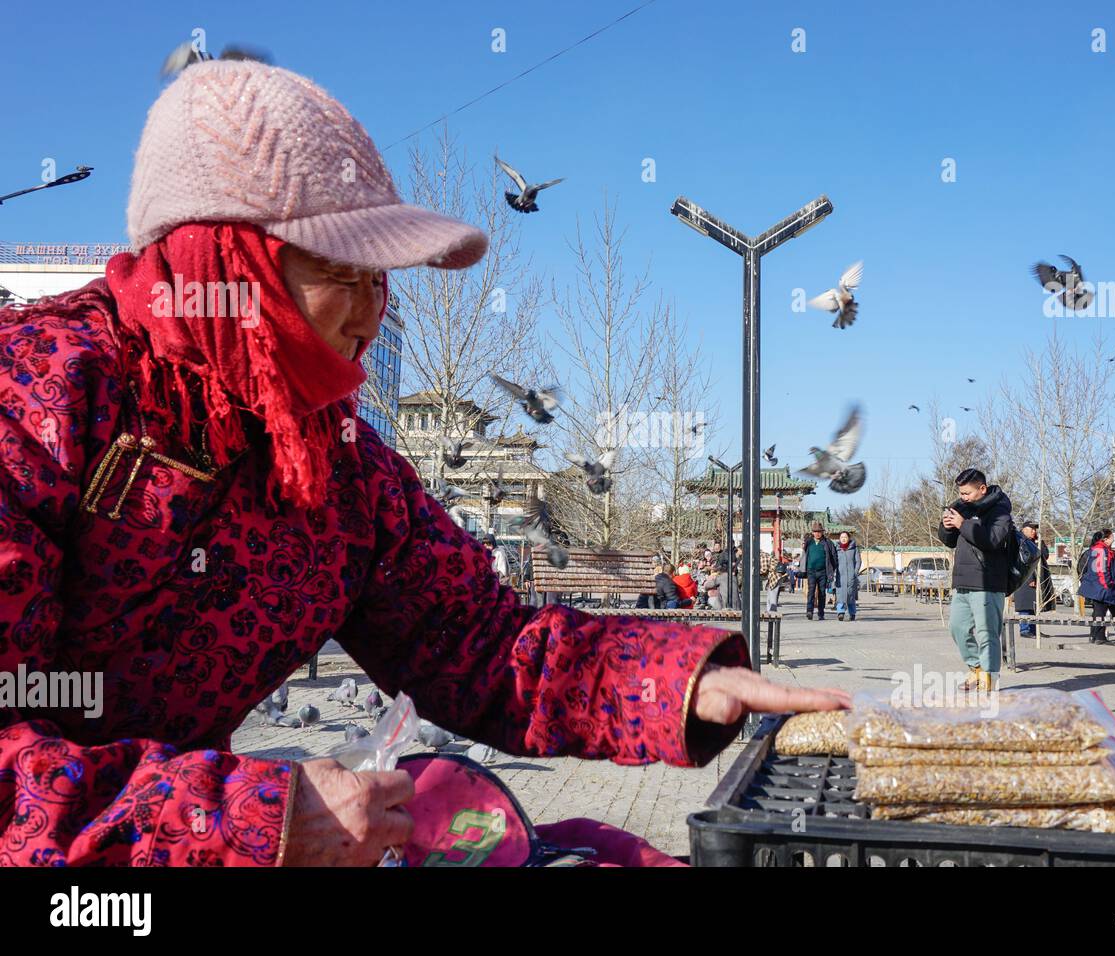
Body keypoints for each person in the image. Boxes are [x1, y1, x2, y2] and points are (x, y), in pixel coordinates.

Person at [0, 57, 851, 868]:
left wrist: (685, 681)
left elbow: (478, 643)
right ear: (227, 260)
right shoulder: (40, 391)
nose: (372, 315)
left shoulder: (337, 462)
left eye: (383, 281)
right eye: (344, 273)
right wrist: (250, 821)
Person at [937, 468, 1013, 691]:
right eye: (960, 493)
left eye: (967, 493)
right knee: (957, 628)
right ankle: (976, 668)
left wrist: (962, 524)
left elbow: (993, 539)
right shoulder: (961, 508)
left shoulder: (1000, 511)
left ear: (982, 488)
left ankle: (988, 681)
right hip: (962, 581)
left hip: (988, 581)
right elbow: (949, 541)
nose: (963, 498)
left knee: (986, 633)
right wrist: (947, 527)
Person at [1079, 530, 1115, 645]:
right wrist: (1099, 584)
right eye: (1112, 537)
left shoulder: (1108, 553)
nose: (1113, 539)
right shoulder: (1101, 552)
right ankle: (1099, 637)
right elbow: (1085, 571)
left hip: (1108, 588)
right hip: (1105, 588)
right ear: (1104, 539)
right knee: (1101, 612)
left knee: (1113, 611)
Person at [1012, 521, 1053, 637]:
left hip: (1037, 577)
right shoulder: (1020, 541)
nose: (1034, 531)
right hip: (1025, 578)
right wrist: (1029, 579)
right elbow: (1023, 562)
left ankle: (1034, 629)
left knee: (1034, 605)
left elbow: (1045, 555)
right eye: (1032, 529)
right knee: (1025, 605)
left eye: (1035, 529)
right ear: (1024, 529)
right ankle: (1024, 630)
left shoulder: (1035, 542)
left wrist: (1040, 541)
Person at [802, 522, 838, 621]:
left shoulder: (827, 542)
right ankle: (809, 611)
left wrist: (832, 569)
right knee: (811, 591)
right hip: (811, 571)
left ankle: (821, 613)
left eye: (819, 531)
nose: (817, 533)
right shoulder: (809, 542)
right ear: (812, 532)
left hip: (823, 571)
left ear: (822, 532)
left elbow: (834, 556)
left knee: (822, 593)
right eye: (815, 531)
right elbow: (804, 555)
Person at [833, 531, 861, 621]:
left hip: (851, 576)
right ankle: (840, 612)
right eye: (841, 537)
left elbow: (858, 561)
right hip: (840, 576)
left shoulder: (854, 548)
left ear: (849, 538)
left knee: (851, 595)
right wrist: (834, 573)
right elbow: (834, 562)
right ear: (839, 539)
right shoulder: (836, 549)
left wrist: (855, 572)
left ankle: (852, 613)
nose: (843, 539)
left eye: (845, 537)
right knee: (840, 595)